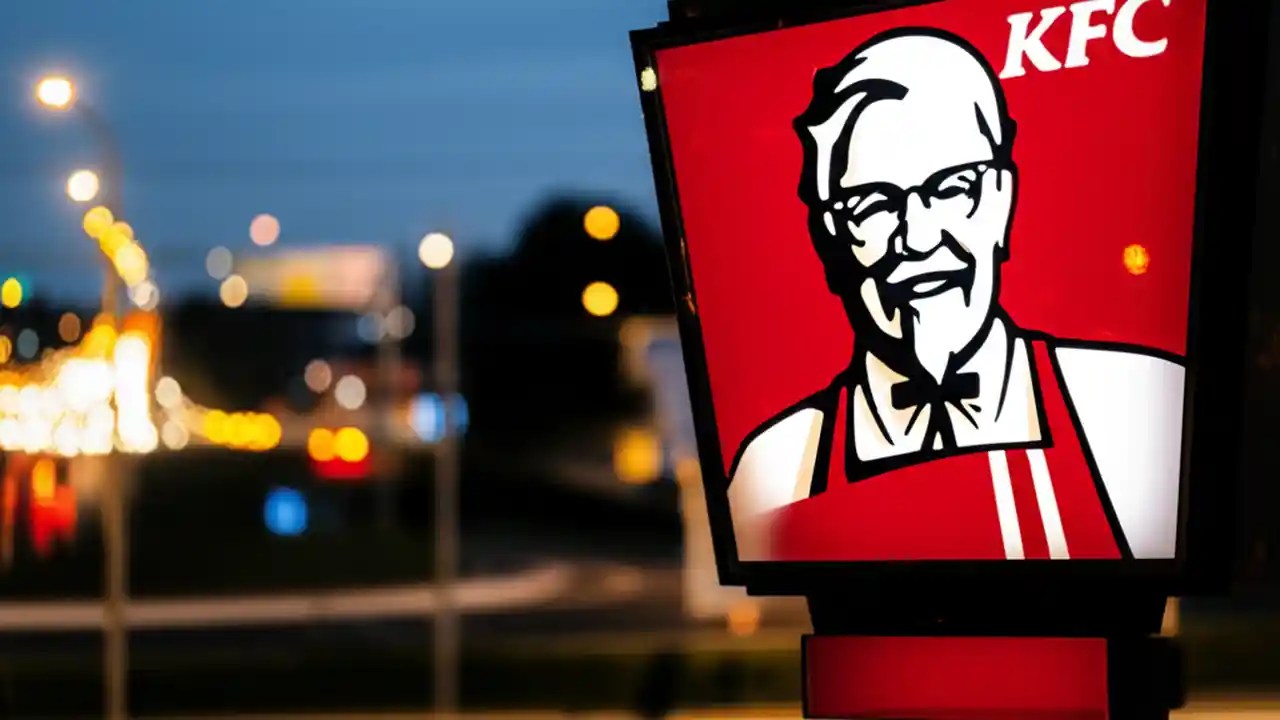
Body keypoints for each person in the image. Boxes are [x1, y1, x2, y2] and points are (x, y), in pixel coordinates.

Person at [728, 29, 1184, 564]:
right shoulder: (775, 470)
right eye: (873, 204)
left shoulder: (1138, 409)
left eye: (951, 189)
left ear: (1001, 201)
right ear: (831, 237)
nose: (917, 238)